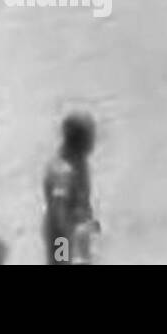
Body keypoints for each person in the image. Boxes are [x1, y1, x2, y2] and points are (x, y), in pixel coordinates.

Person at [43, 111, 98, 265]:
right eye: (91, 136)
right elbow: (58, 208)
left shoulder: (79, 161)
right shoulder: (62, 170)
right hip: (61, 236)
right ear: (80, 140)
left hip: (78, 230)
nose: (94, 141)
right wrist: (70, 237)